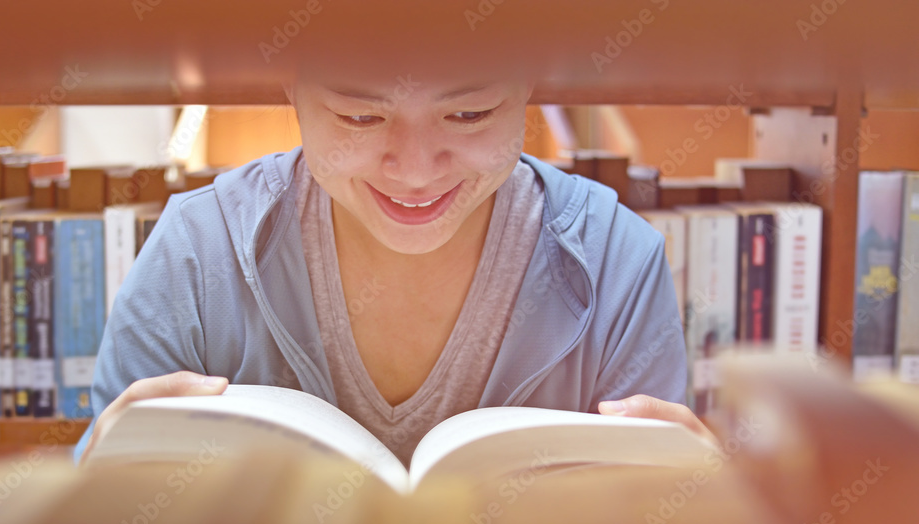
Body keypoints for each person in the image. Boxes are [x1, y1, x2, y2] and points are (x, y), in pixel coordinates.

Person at [74, 67, 714, 463]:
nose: (414, 170)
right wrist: (95, 499)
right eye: (360, 115)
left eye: (469, 113)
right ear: (291, 84)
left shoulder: (617, 263)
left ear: (528, 82)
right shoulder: (196, 254)